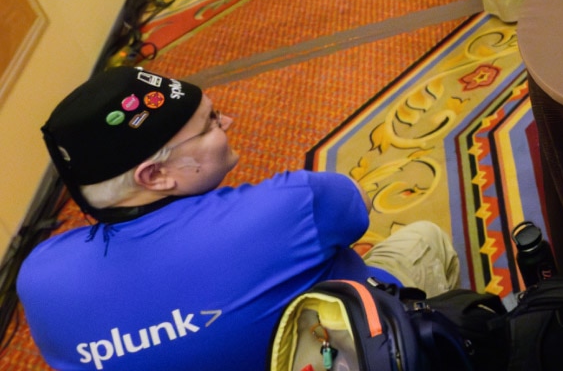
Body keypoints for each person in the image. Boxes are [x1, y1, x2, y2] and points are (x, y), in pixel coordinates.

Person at [18, 66, 461, 371]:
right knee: (423, 238)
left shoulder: (37, 278)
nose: (227, 120)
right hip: (360, 349)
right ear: (155, 174)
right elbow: (354, 206)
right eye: (210, 123)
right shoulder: (288, 206)